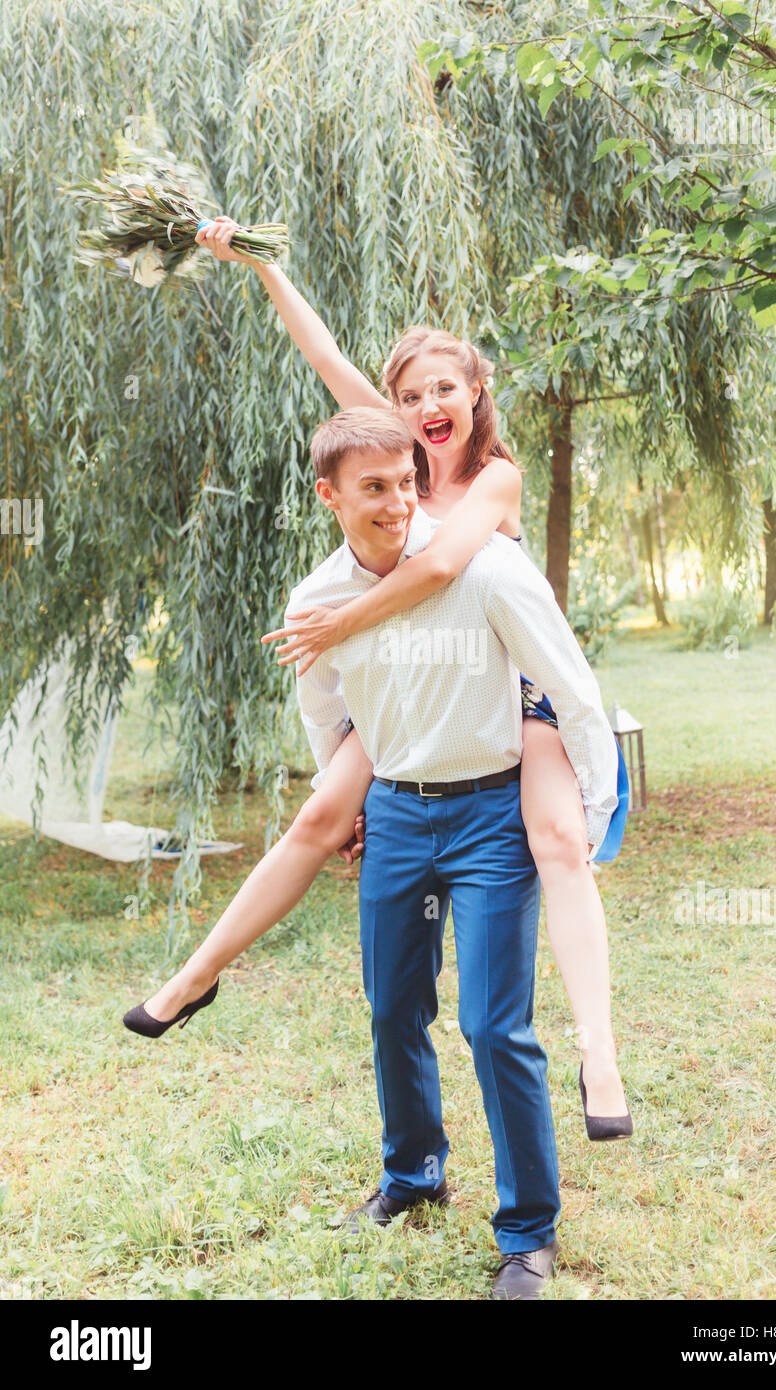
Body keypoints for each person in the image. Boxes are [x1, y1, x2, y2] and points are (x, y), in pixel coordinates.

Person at [125, 215, 631, 1138]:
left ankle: (599, 1057)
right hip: (408, 691)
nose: (426, 404)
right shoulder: (394, 454)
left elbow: (438, 573)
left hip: (506, 684)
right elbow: (320, 353)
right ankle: (194, 974)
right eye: (408, 394)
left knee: (558, 837)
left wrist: (328, 627)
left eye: (445, 387)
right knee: (320, 814)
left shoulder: (493, 481)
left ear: (478, 393)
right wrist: (261, 265)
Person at [286, 406, 621, 1296]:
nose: (398, 502)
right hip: (395, 812)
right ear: (330, 497)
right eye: (374, 489)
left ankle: (528, 1233)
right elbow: (325, 712)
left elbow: (570, 683)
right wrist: (349, 805)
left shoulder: (485, 568)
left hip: (488, 819)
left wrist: (595, 804)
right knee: (394, 1009)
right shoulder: (318, 601)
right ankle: (413, 1174)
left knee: (492, 1025)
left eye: (406, 482)